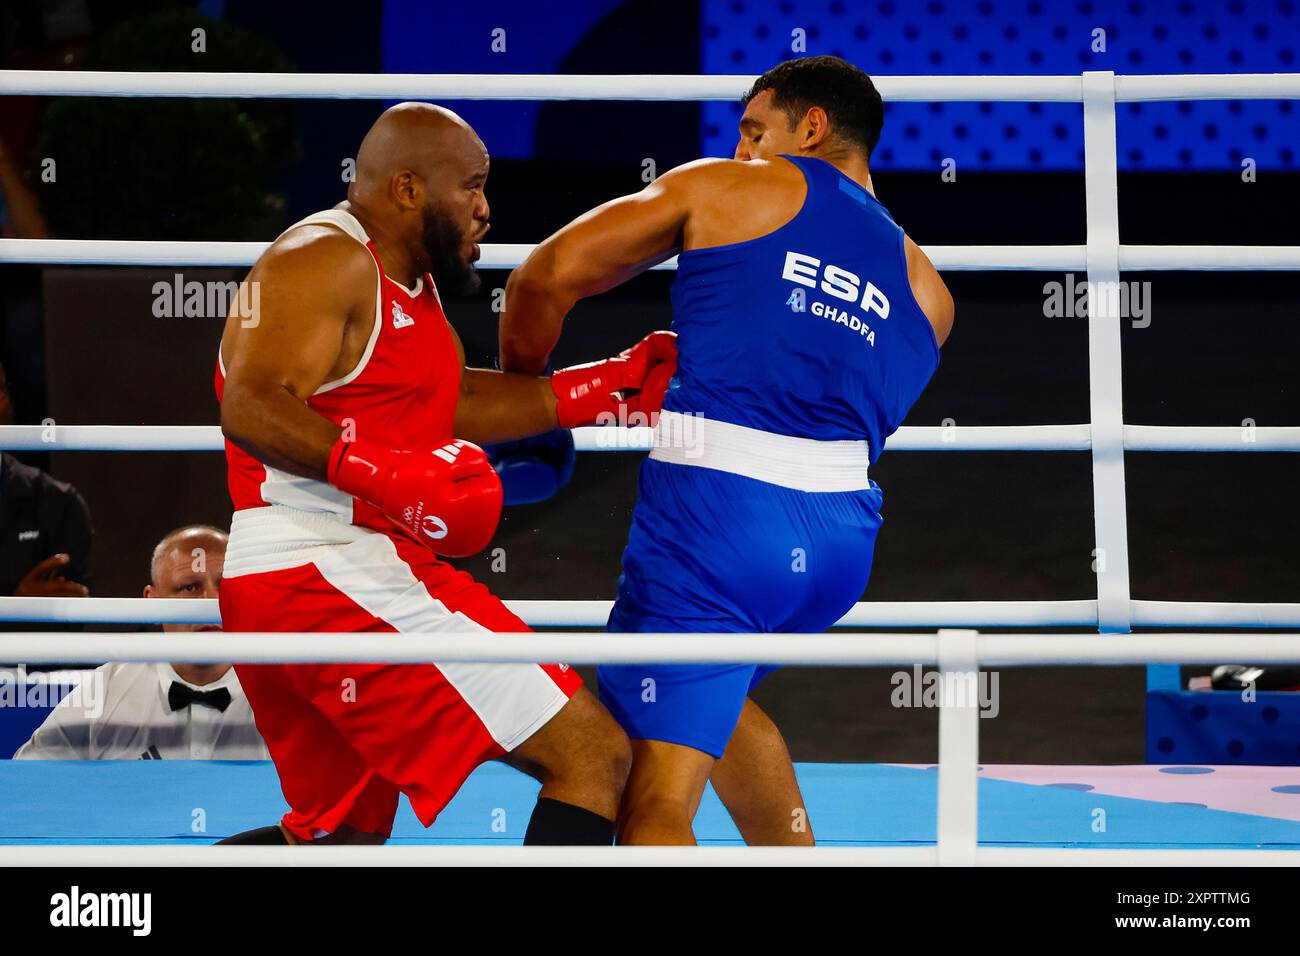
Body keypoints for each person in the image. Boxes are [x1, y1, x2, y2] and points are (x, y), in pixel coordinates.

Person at [500, 56, 955, 844]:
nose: (741, 148)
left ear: (811, 127)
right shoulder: (929, 291)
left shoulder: (729, 186)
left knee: (654, 795)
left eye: (753, 129)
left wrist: (525, 406)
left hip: (718, 530)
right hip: (839, 548)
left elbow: (542, 278)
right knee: (715, 704)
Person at [216, 102, 675, 846]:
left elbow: (449, 400)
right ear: (407, 189)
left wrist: (600, 388)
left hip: (312, 576)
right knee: (592, 755)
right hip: (322, 567)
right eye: (472, 186)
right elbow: (250, 402)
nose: (485, 209)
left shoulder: (408, 282)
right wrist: (381, 476)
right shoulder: (323, 259)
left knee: (340, 841)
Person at [15, 525, 268, 760]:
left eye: (224, 587)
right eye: (190, 588)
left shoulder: (279, 688)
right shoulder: (108, 687)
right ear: (152, 602)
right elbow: (29, 776)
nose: (210, 602)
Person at [0, 359, 93, 625]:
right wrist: (14, 608)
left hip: (31, 653)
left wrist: (26, 612)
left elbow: (70, 624)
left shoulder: (58, 504)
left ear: (6, 399)